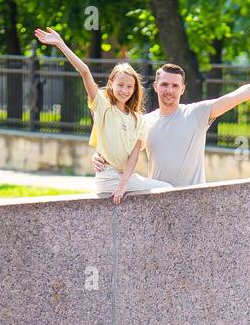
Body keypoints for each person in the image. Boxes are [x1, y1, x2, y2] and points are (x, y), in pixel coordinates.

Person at [91, 58, 250, 188]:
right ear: (156, 87)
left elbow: (238, 95)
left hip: (194, 200)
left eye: (175, 86)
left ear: (182, 89)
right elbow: (119, 150)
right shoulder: (143, 123)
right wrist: (99, 156)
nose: (169, 90)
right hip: (159, 203)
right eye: (165, 84)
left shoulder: (197, 114)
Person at [33, 29, 174, 203]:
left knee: (167, 190)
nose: (124, 90)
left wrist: (123, 183)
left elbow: (134, 156)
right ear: (111, 84)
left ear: (135, 89)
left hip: (126, 178)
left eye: (129, 87)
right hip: (107, 177)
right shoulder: (103, 106)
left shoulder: (138, 119)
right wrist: (60, 44)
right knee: (167, 190)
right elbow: (84, 72)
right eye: (120, 85)